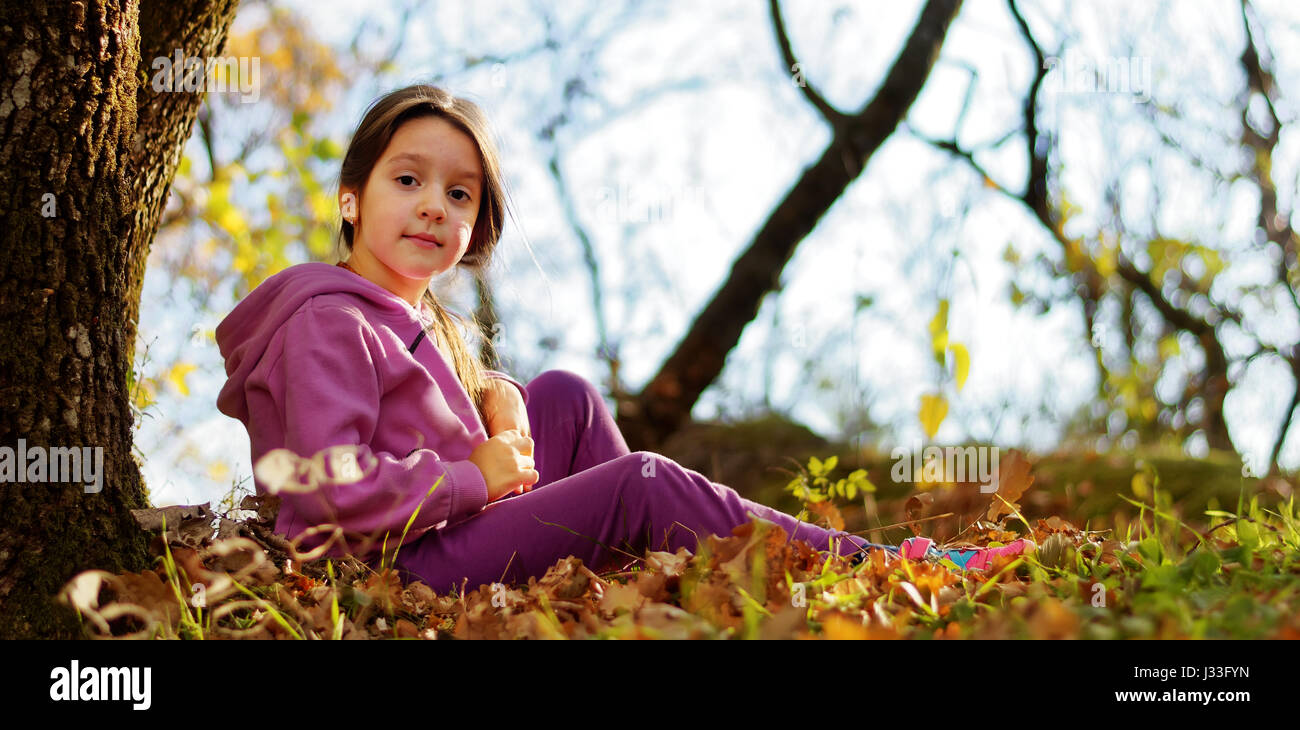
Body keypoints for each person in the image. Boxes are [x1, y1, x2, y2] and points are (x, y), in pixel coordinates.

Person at [215, 84, 1028, 595]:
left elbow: (460, 436)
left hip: (446, 531)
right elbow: (324, 494)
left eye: (458, 193)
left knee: (561, 395)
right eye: (407, 179)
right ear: (351, 200)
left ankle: (641, 577)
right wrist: (470, 476)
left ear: (475, 225)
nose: (433, 205)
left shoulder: (420, 324)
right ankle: (870, 563)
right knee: (639, 480)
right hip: (392, 569)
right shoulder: (330, 317)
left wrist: (494, 411)